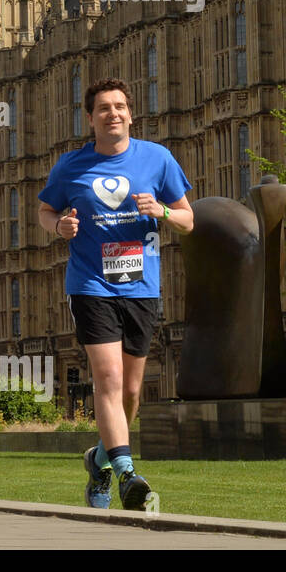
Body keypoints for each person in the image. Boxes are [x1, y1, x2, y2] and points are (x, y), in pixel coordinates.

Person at [38, 78, 193, 510]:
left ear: (131, 113)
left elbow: (188, 219)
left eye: (120, 106)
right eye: (104, 108)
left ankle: (100, 460)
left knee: (131, 391)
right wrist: (58, 227)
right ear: (90, 118)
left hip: (141, 286)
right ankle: (127, 475)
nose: (113, 114)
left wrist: (161, 210)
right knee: (107, 378)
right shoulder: (70, 166)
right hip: (91, 284)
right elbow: (45, 211)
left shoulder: (157, 159)